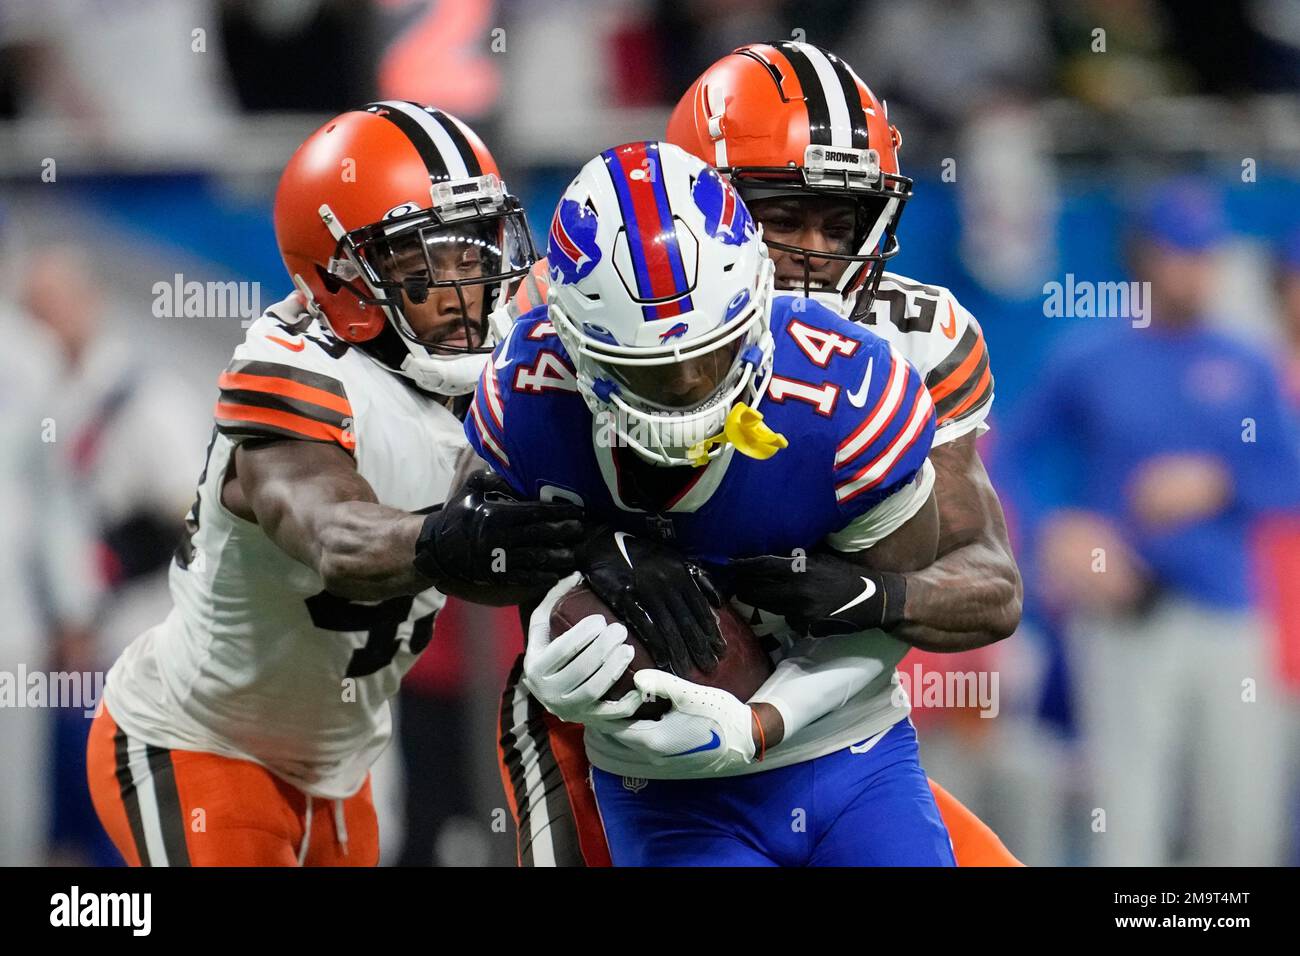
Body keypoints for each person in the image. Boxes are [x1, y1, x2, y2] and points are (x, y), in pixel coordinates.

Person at [496, 42, 1022, 866]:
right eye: (782, 217)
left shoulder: (908, 346)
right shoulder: (584, 302)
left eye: (839, 221)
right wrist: (598, 552)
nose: (814, 252)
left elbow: (988, 583)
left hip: (823, 721)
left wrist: (869, 595)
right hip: (614, 708)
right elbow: (476, 522)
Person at [86, 101, 583, 866]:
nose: (463, 288)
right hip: (197, 741)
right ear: (345, 275)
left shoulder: (498, 362)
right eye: (427, 264)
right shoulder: (292, 370)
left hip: (343, 769)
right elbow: (335, 536)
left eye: (474, 252)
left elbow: (483, 565)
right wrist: (447, 536)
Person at [1005, 179, 1300, 865]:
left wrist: (1220, 482)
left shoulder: (1244, 359)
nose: (1193, 270)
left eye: (1204, 254)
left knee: (1240, 820)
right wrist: (1056, 532)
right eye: (1178, 253)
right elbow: (1007, 456)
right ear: (1142, 255)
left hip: (1227, 612)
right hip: (1123, 612)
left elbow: (1288, 477)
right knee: (1126, 818)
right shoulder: (1090, 355)